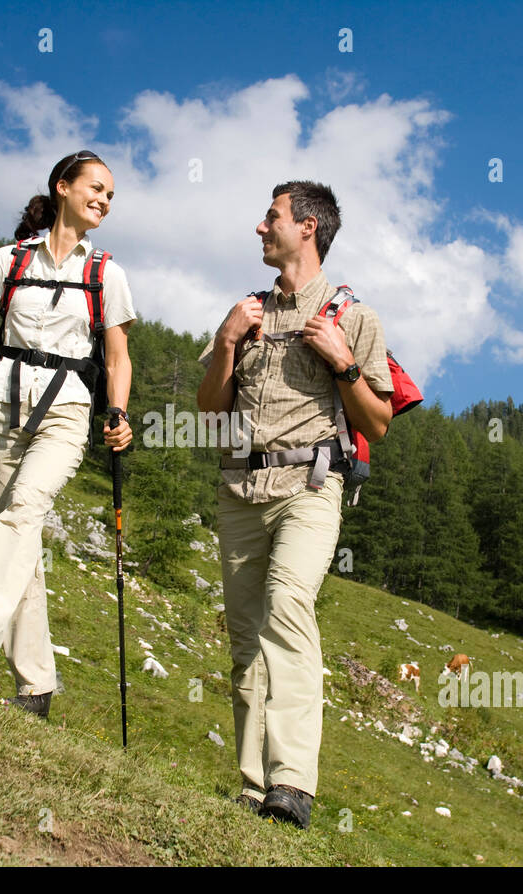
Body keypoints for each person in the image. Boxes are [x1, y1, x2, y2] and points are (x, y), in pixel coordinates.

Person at [196, 181, 393, 828]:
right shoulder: (245, 311)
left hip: (310, 488)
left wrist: (344, 365)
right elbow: (209, 410)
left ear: (307, 226)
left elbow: (380, 421)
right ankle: (256, 790)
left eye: (271, 217)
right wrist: (226, 344)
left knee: (287, 601)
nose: (260, 227)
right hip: (240, 492)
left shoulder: (354, 316)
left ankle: (294, 782)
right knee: (246, 641)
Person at [0, 150, 135, 720]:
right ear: (63, 187)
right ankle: (35, 687)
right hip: (1, 406)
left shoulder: (106, 272)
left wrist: (119, 413)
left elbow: (117, 357)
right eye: (96, 188)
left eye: (110, 194)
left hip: (66, 410)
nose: (105, 200)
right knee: (20, 541)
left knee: (24, 511)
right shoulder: (8, 259)